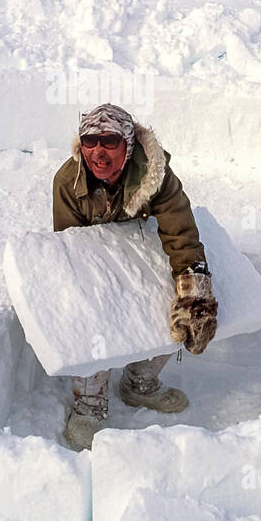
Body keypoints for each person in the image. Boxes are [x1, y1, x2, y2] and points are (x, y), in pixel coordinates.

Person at [51, 103, 217, 450]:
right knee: (87, 317)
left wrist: (195, 294)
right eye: (90, 141)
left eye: (109, 141)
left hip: (140, 255)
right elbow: (70, 249)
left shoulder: (156, 175)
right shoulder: (69, 181)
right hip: (94, 260)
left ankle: (139, 384)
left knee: (173, 308)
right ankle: (89, 402)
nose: (98, 152)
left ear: (128, 146)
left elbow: (180, 233)